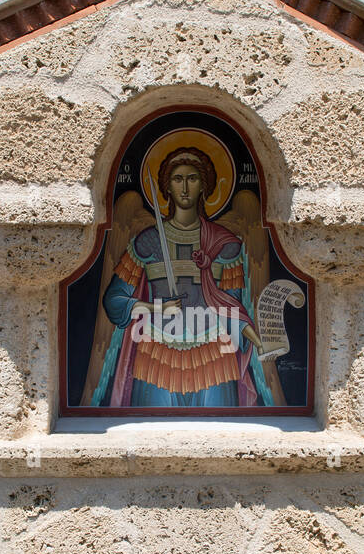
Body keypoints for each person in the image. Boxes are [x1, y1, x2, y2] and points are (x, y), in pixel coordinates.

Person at [92, 145, 272, 408]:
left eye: (192, 179)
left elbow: (232, 310)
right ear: (167, 187)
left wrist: (258, 343)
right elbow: (114, 300)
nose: (185, 188)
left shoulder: (226, 245)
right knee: (151, 434)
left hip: (214, 355)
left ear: (205, 186)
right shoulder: (147, 242)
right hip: (156, 354)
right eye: (178, 179)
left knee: (220, 432)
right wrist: (156, 307)